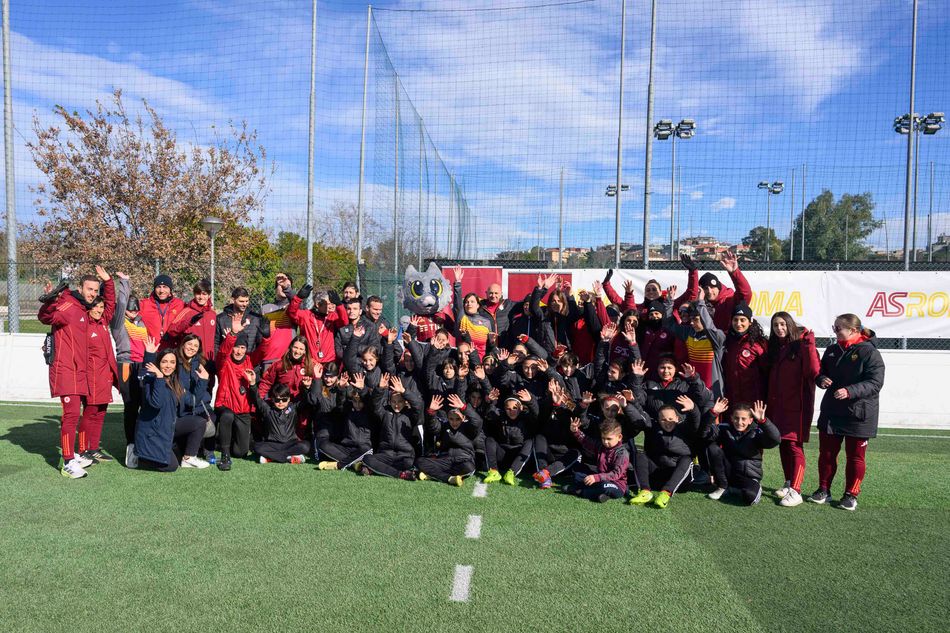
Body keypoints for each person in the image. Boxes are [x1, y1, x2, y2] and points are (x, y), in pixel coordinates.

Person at [38, 266, 112, 479]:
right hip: (65, 370)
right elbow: (45, 317)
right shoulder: (69, 305)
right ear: (80, 288)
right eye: (89, 289)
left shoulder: (83, 309)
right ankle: (68, 462)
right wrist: (50, 301)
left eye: (95, 290)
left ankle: (74, 455)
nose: (93, 293)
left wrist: (108, 284)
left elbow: (108, 308)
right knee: (70, 416)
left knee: (75, 415)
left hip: (80, 372)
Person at [809, 313, 885, 511]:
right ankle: (823, 490)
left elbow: (875, 383)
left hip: (859, 414)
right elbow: (820, 372)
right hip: (832, 411)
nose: (835, 331)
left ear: (853, 330)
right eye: (834, 328)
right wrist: (821, 379)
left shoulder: (870, 352)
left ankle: (851, 495)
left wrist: (850, 391)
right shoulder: (832, 350)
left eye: (838, 328)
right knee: (826, 454)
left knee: (855, 457)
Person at [765, 312, 820, 507]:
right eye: (775, 325)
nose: (779, 328)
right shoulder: (775, 347)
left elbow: (814, 371)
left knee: (795, 446)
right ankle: (789, 483)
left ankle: (796, 491)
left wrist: (810, 343)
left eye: (783, 324)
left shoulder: (802, 344)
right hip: (778, 405)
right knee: (783, 443)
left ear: (790, 325)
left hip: (797, 406)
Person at [133, 339, 210, 472]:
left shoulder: (176, 382)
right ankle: (141, 456)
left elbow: (192, 401)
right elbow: (156, 403)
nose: (168, 365)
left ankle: (189, 458)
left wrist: (203, 380)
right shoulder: (151, 380)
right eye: (164, 362)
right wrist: (151, 358)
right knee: (172, 466)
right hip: (153, 432)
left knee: (199, 422)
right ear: (158, 363)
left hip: (168, 426)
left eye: (172, 362)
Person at [628, 396, 701, 508]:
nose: (668, 422)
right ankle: (645, 491)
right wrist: (632, 401)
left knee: (687, 459)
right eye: (663, 419)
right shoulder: (653, 427)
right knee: (640, 454)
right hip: (657, 475)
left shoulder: (684, 428)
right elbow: (641, 414)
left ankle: (666, 493)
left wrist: (693, 409)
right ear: (658, 420)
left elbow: (694, 421)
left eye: (671, 419)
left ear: (677, 418)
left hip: (678, 479)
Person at [704, 399, 780, 505]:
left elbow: (775, 440)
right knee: (712, 447)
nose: (739, 422)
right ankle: (722, 487)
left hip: (748, 477)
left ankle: (736, 489)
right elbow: (704, 434)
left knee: (750, 497)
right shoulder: (724, 429)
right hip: (728, 475)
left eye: (743, 419)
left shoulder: (756, 432)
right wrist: (713, 413)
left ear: (750, 420)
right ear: (732, 418)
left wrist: (763, 421)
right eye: (736, 418)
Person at [110, 272, 148, 468]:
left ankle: (144, 444)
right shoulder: (118, 322)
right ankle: (131, 446)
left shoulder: (141, 323)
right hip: (126, 364)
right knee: (131, 407)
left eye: (136, 308)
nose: (133, 311)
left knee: (145, 405)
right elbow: (122, 303)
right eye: (130, 309)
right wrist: (125, 282)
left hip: (143, 365)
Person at [80, 282, 119, 463]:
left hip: (105, 376)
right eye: (95, 306)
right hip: (91, 377)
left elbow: (111, 302)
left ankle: (94, 448)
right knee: (90, 413)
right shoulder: (84, 324)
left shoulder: (103, 321)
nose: (98, 310)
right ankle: (82, 450)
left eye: (101, 307)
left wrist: (108, 282)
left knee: (101, 413)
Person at [664, 287, 725, 397]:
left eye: (696, 319)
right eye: (691, 319)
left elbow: (709, 327)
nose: (691, 323)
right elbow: (669, 324)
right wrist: (669, 302)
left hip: (712, 393)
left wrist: (701, 302)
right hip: (693, 388)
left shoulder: (717, 337)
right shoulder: (689, 332)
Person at [360, 374, 425, 479]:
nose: (396, 405)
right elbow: (375, 404)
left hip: (404, 456)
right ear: (389, 402)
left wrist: (404, 391)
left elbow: (418, 405)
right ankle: (401, 474)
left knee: (412, 463)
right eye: (393, 402)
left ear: (405, 402)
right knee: (367, 459)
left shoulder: (410, 414)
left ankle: (376, 469)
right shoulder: (384, 413)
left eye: (400, 402)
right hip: (385, 454)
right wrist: (380, 388)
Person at [244, 370, 313, 464]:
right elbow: (257, 399)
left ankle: (271, 458)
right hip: (273, 444)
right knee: (257, 447)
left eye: (284, 400)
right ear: (272, 399)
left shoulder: (293, 408)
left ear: (289, 399)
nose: (281, 402)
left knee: (306, 446)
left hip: (290, 444)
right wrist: (252, 383)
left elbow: (307, 401)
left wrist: (307, 388)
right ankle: (289, 458)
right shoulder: (268, 410)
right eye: (277, 400)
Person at [212, 327, 256, 469]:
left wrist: (266, 339)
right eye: (236, 347)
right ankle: (225, 455)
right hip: (225, 405)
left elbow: (263, 352)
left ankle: (221, 441)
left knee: (240, 452)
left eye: (242, 347)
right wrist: (232, 335)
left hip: (243, 409)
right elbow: (222, 352)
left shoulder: (249, 361)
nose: (239, 351)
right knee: (227, 416)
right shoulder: (224, 362)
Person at [417, 394, 483, 486]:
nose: (454, 422)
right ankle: (449, 478)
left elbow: (478, 421)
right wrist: (431, 412)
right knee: (420, 462)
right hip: (446, 460)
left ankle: (433, 474)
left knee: (469, 467)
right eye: (451, 419)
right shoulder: (444, 426)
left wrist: (464, 407)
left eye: (457, 419)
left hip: (463, 461)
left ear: (463, 418)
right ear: (447, 418)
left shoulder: (469, 428)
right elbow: (433, 427)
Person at [564, 417, 629, 503]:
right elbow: (586, 441)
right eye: (603, 438)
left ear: (619, 437)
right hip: (600, 479)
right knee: (578, 475)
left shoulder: (622, 453)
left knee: (605, 487)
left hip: (616, 484)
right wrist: (575, 431)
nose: (605, 442)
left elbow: (616, 474)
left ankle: (579, 492)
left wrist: (596, 477)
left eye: (609, 439)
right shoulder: (601, 446)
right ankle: (601, 496)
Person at [481, 389, 538, 486]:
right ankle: (494, 472)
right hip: (503, 455)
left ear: (520, 408)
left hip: (518, 457)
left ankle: (512, 473)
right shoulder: (501, 417)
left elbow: (536, 415)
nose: (512, 411)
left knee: (530, 442)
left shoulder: (526, 418)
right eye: (508, 409)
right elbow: (488, 414)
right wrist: (490, 402)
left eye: (515, 408)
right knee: (489, 439)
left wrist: (531, 401)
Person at [722, 303, 768, 410]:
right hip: (731, 398)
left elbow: (766, 371)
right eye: (735, 320)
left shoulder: (759, 344)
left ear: (750, 322)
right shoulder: (727, 341)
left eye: (743, 320)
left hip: (753, 400)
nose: (738, 323)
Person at [696, 250, 753, 332]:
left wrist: (735, 272)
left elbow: (745, 294)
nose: (709, 291)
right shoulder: (701, 304)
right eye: (705, 288)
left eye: (712, 287)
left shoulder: (729, 301)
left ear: (719, 288)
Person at [288, 286, 347, 363]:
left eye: (332, 304)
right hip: (310, 360)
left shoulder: (332, 316)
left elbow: (344, 322)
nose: (331, 307)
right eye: (328, 304)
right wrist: (298, 298)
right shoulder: (306, 316)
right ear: (318, 304)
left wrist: (339, 305)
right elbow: (291, 313)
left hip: (329, 360)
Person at [253, 272, 298, 370]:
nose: (284, 287)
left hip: (288, 358)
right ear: (275, 288)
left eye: (287, 286)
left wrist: (287, 289)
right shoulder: (265, 308)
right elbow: (258, 336)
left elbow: (297, 302)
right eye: (281, 285)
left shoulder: (294, 308)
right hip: (268, 359)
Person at [164, 279, 216, 363]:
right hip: (190, 359)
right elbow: (171, 330)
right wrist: (189, 322)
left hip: (209, 359)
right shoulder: (187, 311)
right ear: (194, 294)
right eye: (198, 294)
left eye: (204, 294)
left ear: (209, 295)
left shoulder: (212, 314)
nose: (201, 297)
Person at [451, 267, 494, 359]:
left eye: (472, 301)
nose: (469, 304)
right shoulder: (462, 317)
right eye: (466, 302)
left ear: (478, 305)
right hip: (463, 358)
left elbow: (490, 344)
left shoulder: (486, 322)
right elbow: (457, 303)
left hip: (481, 359)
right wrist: (458, 282)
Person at [215, 287, 269, 358]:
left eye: (247, 301)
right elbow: (216, 343)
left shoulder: (255, 318)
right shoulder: (221, 319)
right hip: (227, 361)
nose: (245, 304)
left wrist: (266, 337)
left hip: (249, 360)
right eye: (241, 301)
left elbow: (259, 344)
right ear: (233, 300)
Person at [139, 274, 185, 342]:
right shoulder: (144, 304)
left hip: (171, 347)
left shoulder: (179, 304)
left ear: (170, 289)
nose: (161, 290)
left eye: (165, 287)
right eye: (158, 287)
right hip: (151, 346)